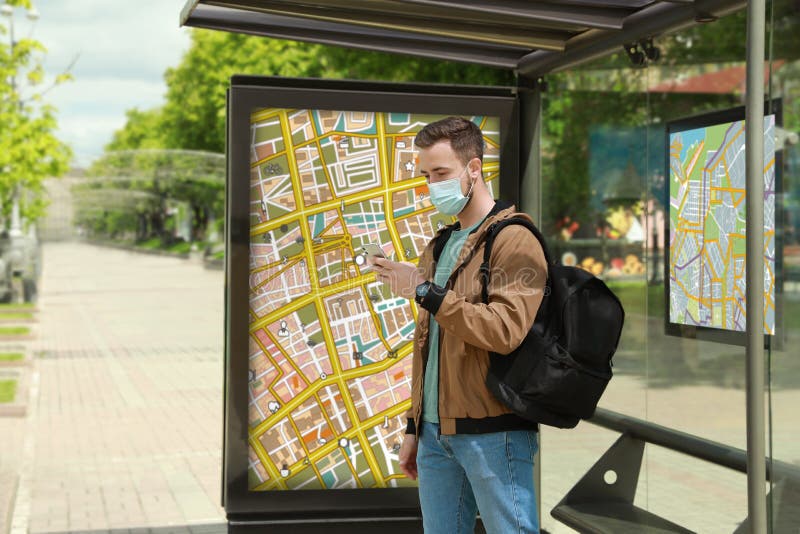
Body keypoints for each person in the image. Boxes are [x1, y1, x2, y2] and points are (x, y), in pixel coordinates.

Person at [369, 117, 547, 533]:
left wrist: (425, 291)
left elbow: (505, 331)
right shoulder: (440, 244)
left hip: (494, 434)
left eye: (441, 173)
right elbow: (427, 344)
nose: (433, 185)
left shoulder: (514, 238)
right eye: (426, 176)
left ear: (474, 168)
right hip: (435, 435)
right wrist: (414, 426)